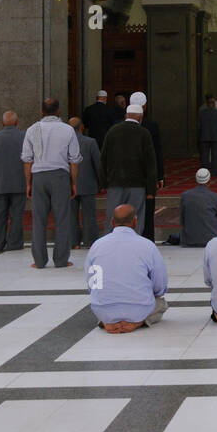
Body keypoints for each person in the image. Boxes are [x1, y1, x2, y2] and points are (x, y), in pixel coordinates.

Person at [85, 204, 168, 333]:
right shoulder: (147, 246)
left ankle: (108, 322)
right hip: (138, 309)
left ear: (112, 222)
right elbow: (159, 287)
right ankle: (137, 322)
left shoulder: (97, 245)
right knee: (161, 304)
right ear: (135, 222)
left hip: (103, 310)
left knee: (104, 302)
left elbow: (92, 285)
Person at [21, 98, 82, 269]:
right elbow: (74, 160)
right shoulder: (68, 130)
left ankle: (39, 261)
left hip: (38, 177)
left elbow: (27, 160)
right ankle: (61, 260)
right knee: (62, 219)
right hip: (60, 176)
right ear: (58, 111)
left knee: (38, 220)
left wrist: (28, 183)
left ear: (41, 111)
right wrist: (74, 182)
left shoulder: (32, 130)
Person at [100, 101, 157, 233]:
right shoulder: (144, 133)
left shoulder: (112, 131)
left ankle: (110, 246)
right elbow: (150, 164)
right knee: (135, 216)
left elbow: (103, 159)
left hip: (114, 183)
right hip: (137, 184)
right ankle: (134, 246)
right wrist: (150, 190)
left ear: (126, 115)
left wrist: (103, 182)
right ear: (140, 117)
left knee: (113, 216)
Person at [0, 110, 26, 253]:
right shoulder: (24, 136)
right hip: (19, 182)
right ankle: (14, 244)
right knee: (16, 216)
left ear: (2, 123)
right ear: (17, 122)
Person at [132, 92, 164, 241]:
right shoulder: (151, 127)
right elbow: (157, 153)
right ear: (145, 106)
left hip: (124, 178)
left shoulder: (117, 126)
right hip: (146, 177)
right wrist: (159, 176)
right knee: (148, 209)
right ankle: (147, 240)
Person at [68, 117, 102, 249]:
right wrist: (101, 181)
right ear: (82, 127)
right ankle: (90, 242)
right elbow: (97, 163)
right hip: (88, 184)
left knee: (71, 215)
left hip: (69, 184)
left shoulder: (63, 143)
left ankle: (74, 242)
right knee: (89, 215)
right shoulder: (90, 142)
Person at [179, 167, 217, 247]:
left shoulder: (185, 196)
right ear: (209, 180)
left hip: (189, 239)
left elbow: (182, 220)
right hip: (212, 238)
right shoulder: (216, 197)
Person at [197, 94, 217, 175]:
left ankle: (204, 173)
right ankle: (215, 172)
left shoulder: (201, 113)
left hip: (204, 137)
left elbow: (199, 126)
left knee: (204, 157)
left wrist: (198, 137)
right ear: (213, 103)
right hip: (216, 137)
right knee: (215, 156)